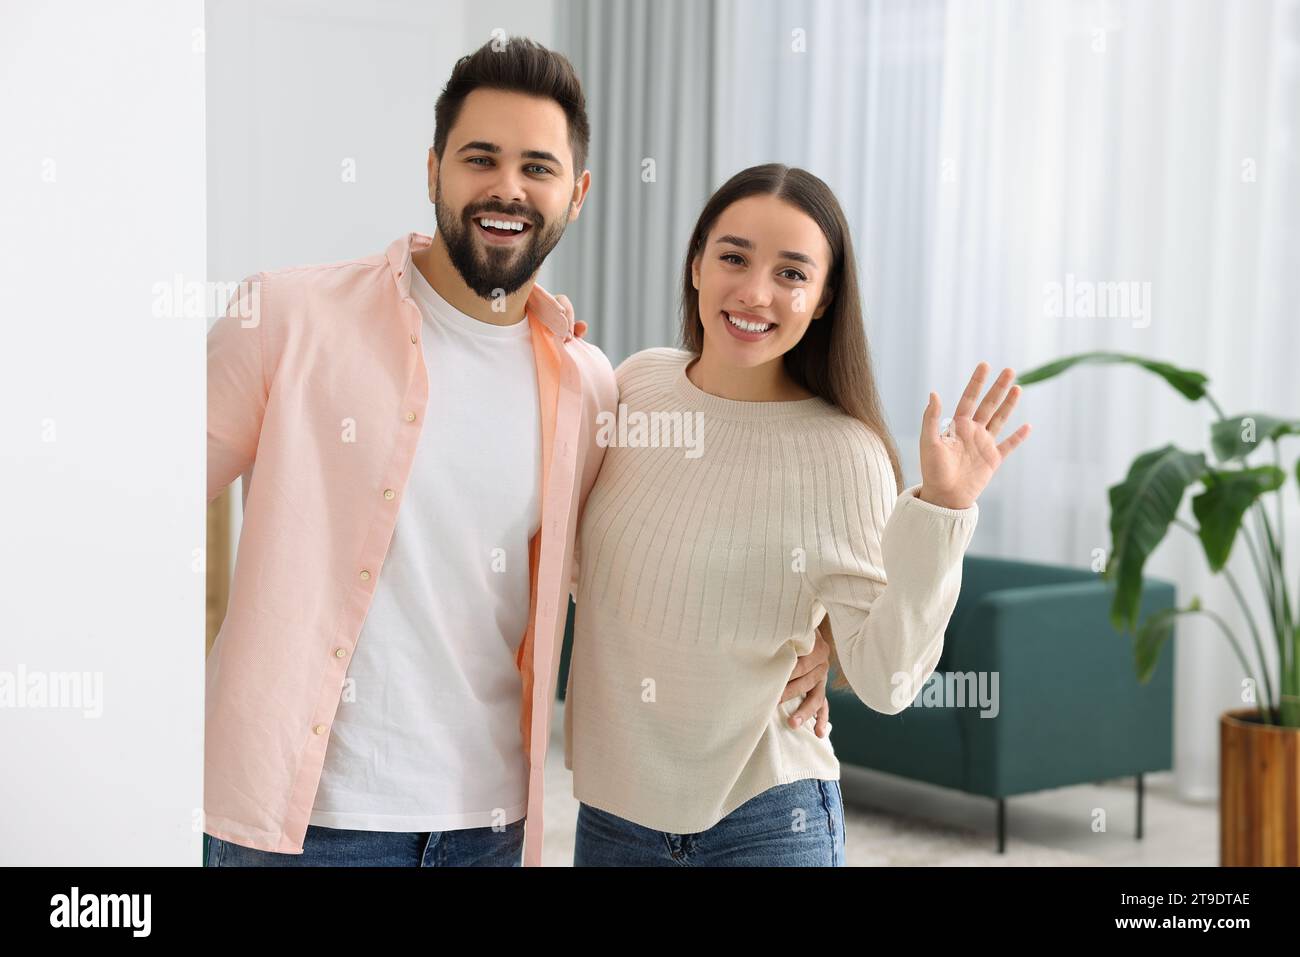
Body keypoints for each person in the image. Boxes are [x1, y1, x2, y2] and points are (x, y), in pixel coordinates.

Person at [564, 163, 1031, 866]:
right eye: (733, 257)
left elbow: (889, 681)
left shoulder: (845, 451)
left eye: (791, 273)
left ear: (822, 299)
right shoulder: (635, 384)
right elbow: (587, 569)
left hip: (766, 821)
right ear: (696, 264)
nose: (755, 292)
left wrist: (944, 508)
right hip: (612, 815)